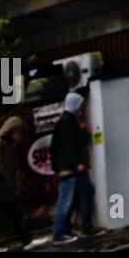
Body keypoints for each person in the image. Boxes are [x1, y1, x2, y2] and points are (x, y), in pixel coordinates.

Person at [50, 92, 103, 244]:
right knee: (67, 199)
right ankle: (60, 233)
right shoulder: (67, 121)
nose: (81, 107)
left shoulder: (66, 121)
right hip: (70, 167)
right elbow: (70, 146)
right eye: (80, 104)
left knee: (85, 191)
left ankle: (83, 228)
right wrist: (76, 163)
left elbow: (61, 146)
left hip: (69, 166)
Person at [0, 117, 33, 249]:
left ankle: (26, 240)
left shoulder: (7, 144)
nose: (19, 136)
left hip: (5, 188)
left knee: (15, 214)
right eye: (18, 132)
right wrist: (8, 179)